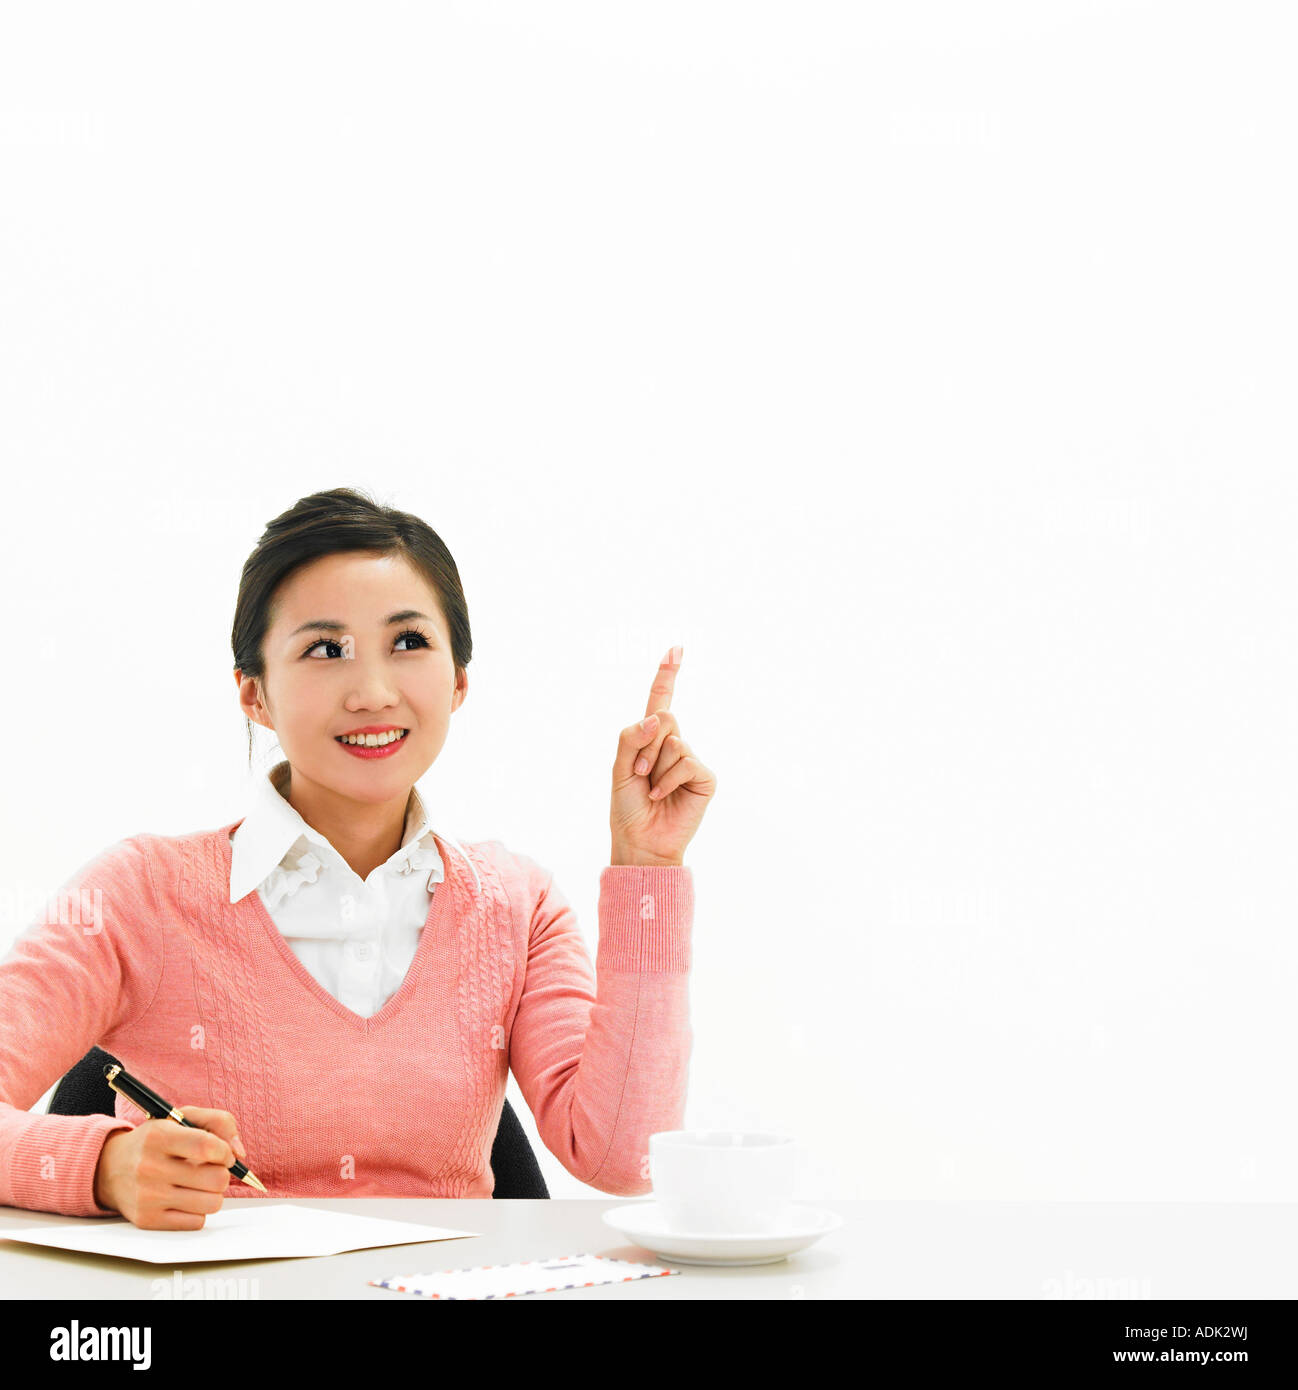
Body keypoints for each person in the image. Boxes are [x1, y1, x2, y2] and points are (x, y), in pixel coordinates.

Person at [0, 487, 716, 1228]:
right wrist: (103, 1167)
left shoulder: (519, 906)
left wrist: (648, 868)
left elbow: (625, 1158)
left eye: (408, 643)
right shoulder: (141, 893)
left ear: (459, 680)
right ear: (255, 694)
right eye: (324, 649)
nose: (373, 692)